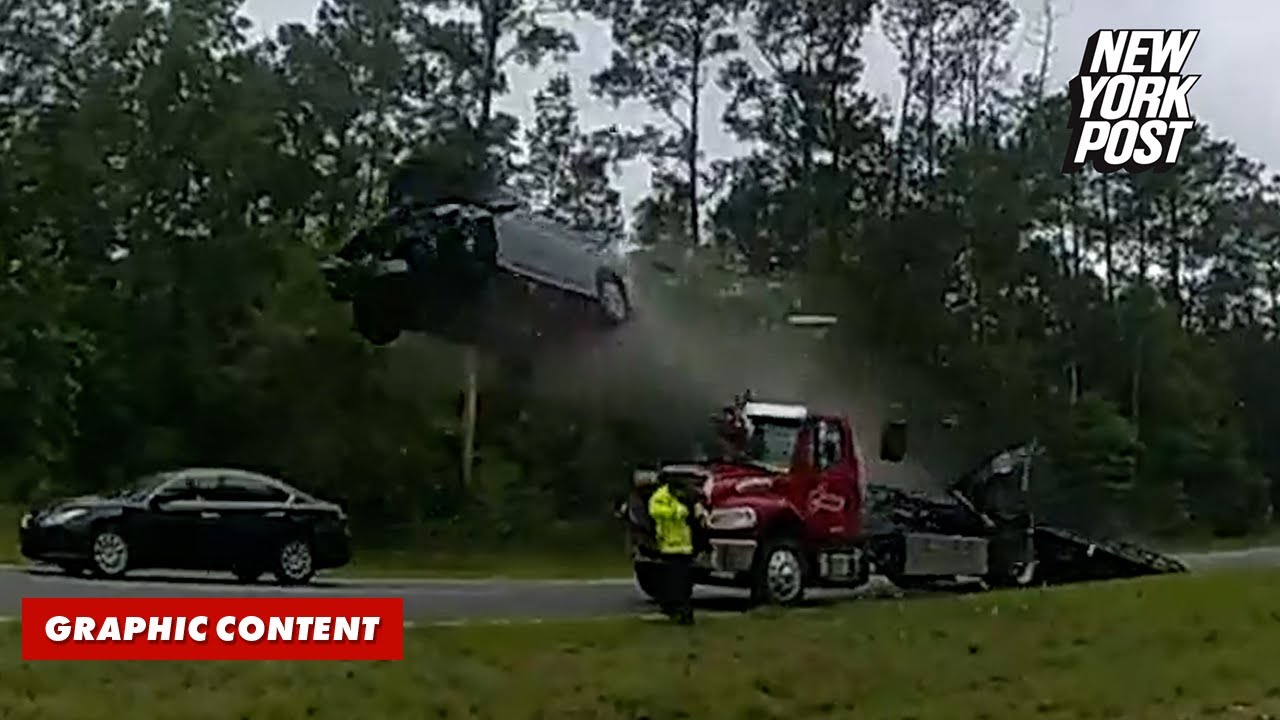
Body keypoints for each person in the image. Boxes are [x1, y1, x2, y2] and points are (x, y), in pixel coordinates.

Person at [647, 475, 706, 625]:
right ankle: (675, 608)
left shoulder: (688, 495)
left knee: (684, 581)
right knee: (673, 580)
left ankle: (683, 610)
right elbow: (655, 511)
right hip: (669, 545)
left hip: (685, 546)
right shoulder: (661, 496)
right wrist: (676, 510)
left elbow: (695, 513)